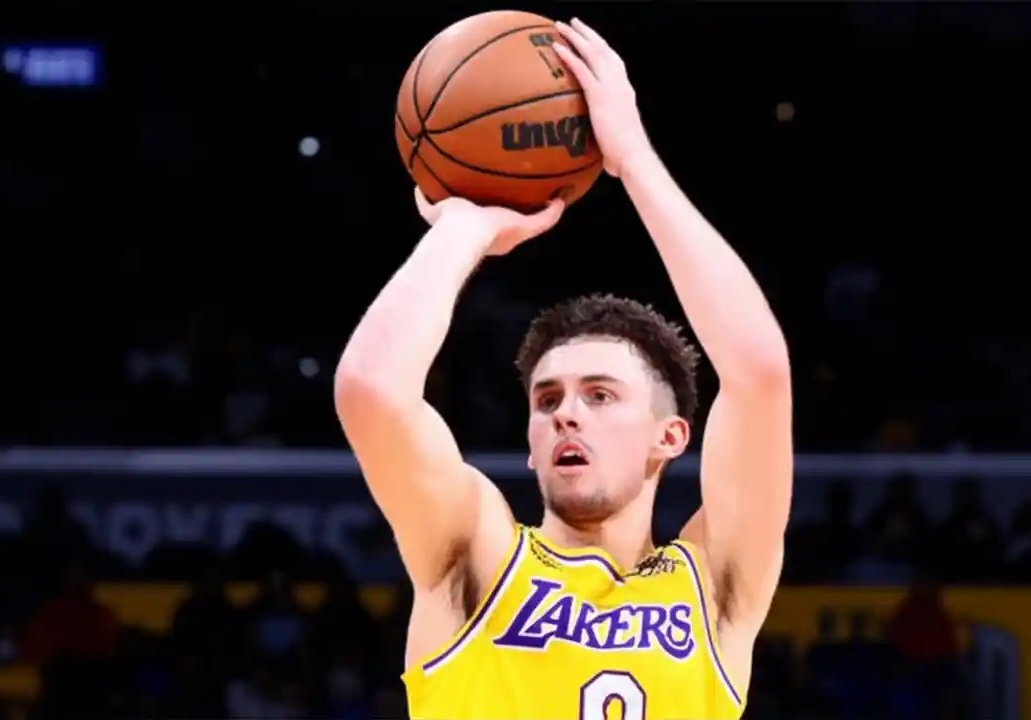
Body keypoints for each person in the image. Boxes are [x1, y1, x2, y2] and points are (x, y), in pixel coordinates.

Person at [334, 18, 792, 720]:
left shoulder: (713, 584)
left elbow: (758, 372)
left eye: (601, 395)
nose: (566, 413)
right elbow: (371, 393)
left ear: (669, 437)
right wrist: (465, 227)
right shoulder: (479, 554)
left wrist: (633, 160)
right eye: (547, 400)